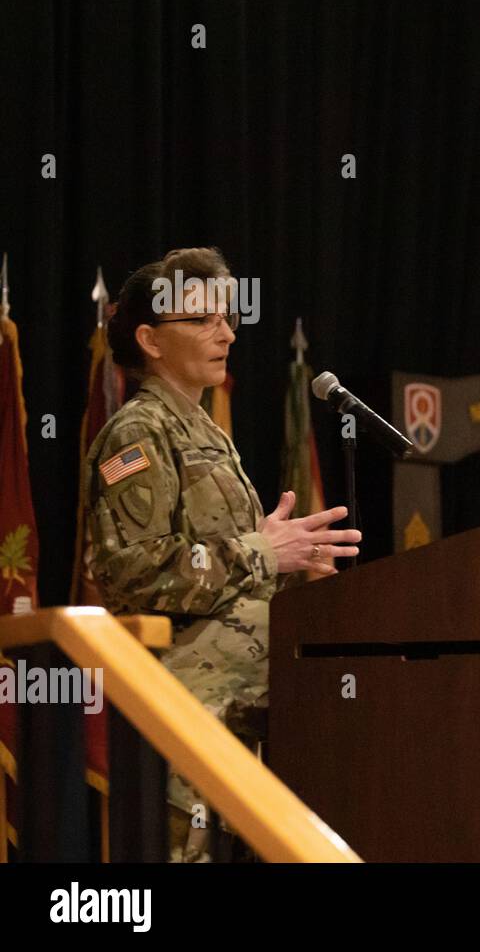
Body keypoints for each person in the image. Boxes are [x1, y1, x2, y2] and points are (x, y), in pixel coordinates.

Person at [83, 247, 361, 861]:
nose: (227, 332)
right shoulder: (136, 433)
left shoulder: (208, 433)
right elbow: (128, 572)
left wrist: (292, 563)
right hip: (187, 717)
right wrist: (262, 553)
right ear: (152, 340)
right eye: (203, 320)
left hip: (239, 717)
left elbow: (221, 572)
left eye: (227, 318)